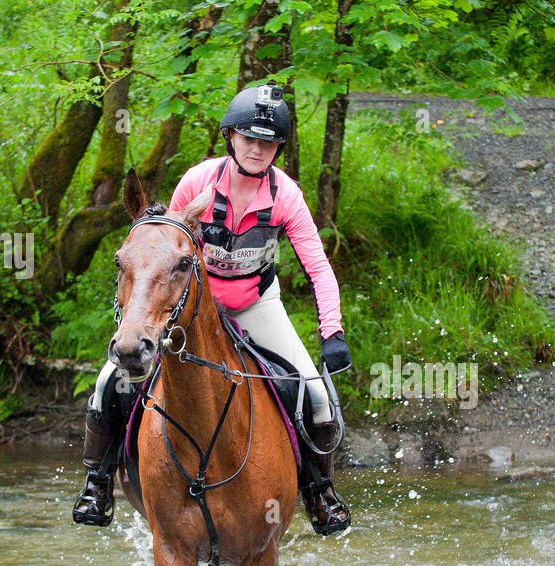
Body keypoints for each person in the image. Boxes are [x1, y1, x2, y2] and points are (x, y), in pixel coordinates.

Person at [73, 84, 352, 535]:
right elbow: (162, 252)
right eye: (249, 139)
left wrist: (332, 332)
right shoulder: (199, 181)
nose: (258, 149)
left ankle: (320, 492)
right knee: (110, 382)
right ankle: (97, 484)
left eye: (269, 142)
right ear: (231, 138)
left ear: (279, 147)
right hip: (190, 308)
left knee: (316, 395)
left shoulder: (286, 196)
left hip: (255, 305)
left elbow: (317, 265)